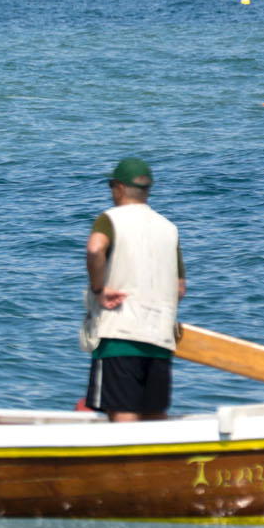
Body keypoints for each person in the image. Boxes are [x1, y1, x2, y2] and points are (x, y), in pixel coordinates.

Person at [83, 156, 185, 423]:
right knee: (154, 414)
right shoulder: (169, 228)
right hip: (160, 339)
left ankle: (125, 465)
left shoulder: (110, 219)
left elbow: (95, 249)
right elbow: (179, 288)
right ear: (147, 191)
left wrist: (99, 289)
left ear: (117, 188)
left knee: (123, 411)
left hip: (120, 337)